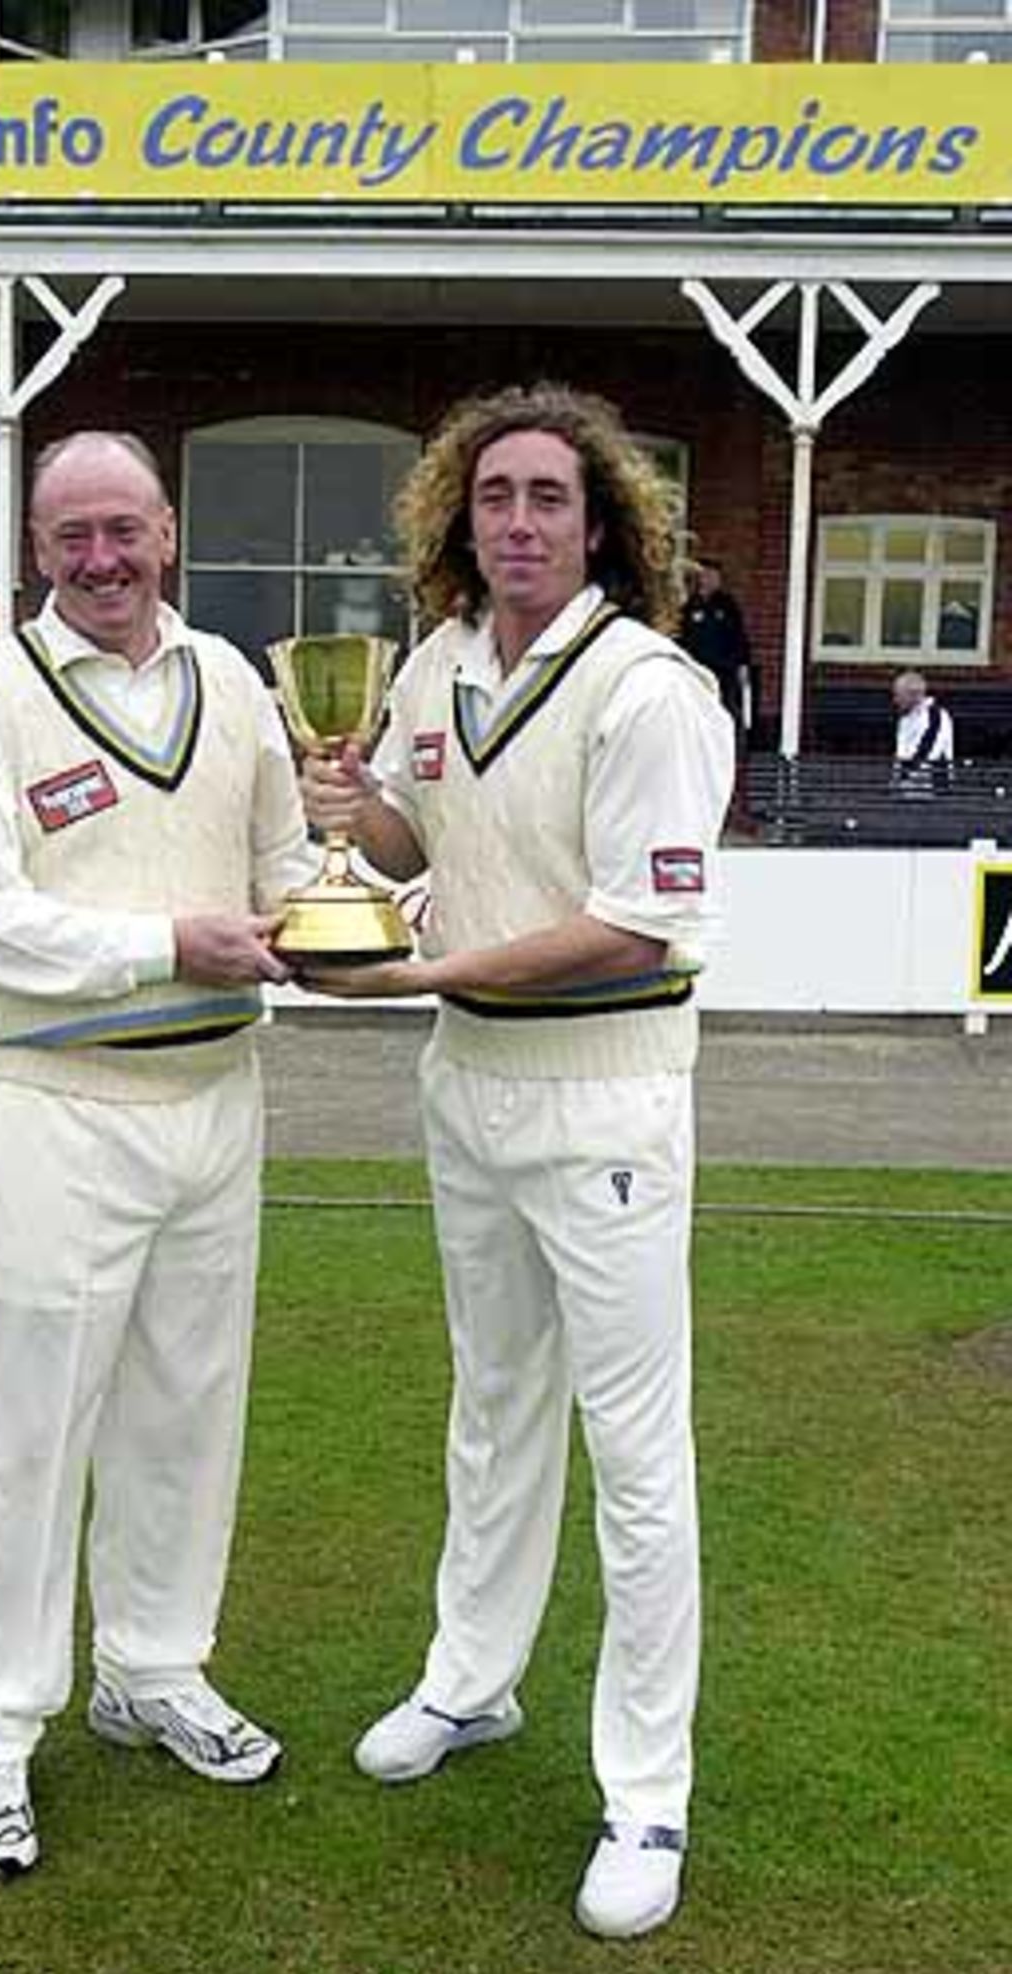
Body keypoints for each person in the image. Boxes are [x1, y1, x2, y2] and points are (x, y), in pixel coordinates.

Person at [298, 382, 735, 1940]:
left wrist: (431, 971)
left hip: (603, 1095)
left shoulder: (650, 689)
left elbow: (641, 918)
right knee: (493, 1413)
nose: (523, 521)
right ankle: (471, 1682)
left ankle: (647, 1787)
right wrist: (354, 815)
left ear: (603, 518)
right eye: (496, 498)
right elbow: (420, 836)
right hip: (467, 1091)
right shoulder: (435, 664)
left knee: (635, 1454)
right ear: (458, 518)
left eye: (552, 496)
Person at [0, 430, 313, 1880]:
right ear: (37, 547)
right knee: (21, 1434)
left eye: (122, 530)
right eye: (70, 534)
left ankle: (152, 1667)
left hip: (217, 1096)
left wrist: (358, 906)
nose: (100, 559)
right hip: (49, 1104)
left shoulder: (238, 686)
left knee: (185, 1415)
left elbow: (284, 868)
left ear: (167, 534)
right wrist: (162, 943)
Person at [679, 557, 754, 826]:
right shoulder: (689, 608)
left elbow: (741, 640)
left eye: (714, 576)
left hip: (725, 679)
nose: (710, 580)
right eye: (706, 575)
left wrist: (742, 667)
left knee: (729, 733)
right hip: (696, 680)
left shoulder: (727, 606)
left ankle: (734, 804)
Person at [892, 669, 954, 794]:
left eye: (898, 695)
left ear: (913, 695)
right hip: (907, 788)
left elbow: (929, 750)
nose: (895, 700)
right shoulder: (905, 719)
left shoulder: (936, 715)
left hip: (932, 788)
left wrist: (905, 774)